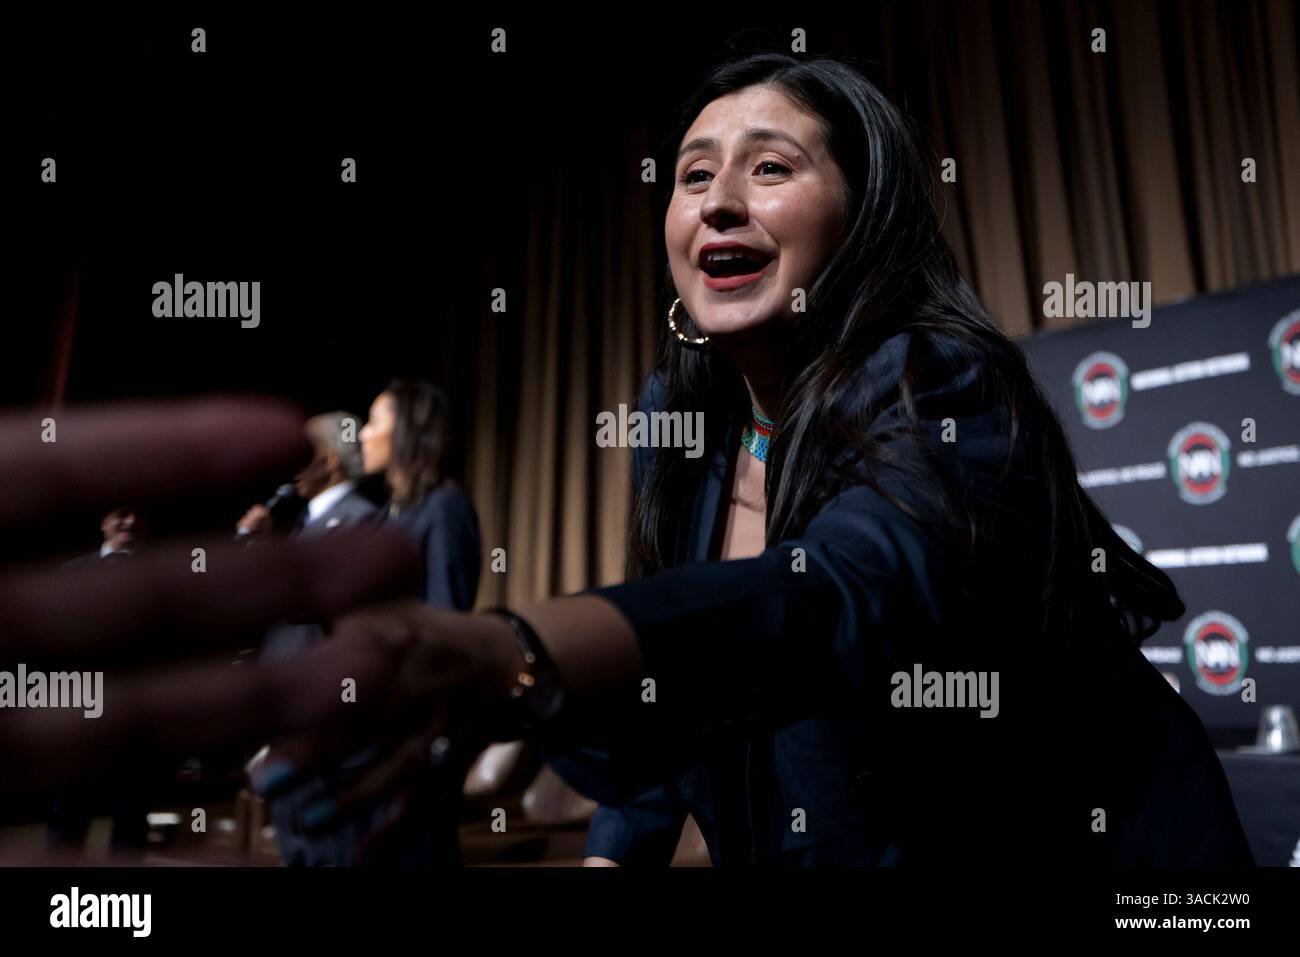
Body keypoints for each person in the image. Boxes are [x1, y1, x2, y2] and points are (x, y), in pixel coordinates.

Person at [251, 53, 1252, 867]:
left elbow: (825, 603)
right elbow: (693, 664)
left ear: (863, 221)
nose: (718, 203)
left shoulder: (941, 384)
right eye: (692, 176)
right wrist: (612, 856)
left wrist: (509, 652)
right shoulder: (677, 427)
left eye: (769, 168)